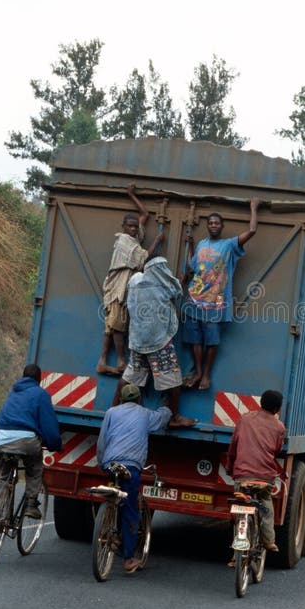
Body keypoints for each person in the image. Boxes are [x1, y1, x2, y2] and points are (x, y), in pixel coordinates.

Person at [181, 198, 259, 390]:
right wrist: (191, 246)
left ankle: (206, 375)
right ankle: (198, 372)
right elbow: (193, 266)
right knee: (194, 338)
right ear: (207, 226)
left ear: (222, 226)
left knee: (212, 339)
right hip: (194, 298)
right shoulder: (201, 244)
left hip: (215, 300)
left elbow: (252, 231)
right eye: (211, 223)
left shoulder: (229, 245)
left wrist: (253, 207)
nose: (213, 225)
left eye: (217, 223)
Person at [96, 383, 171, 573]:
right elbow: (163, 418)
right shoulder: (145, 414)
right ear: (139, 399)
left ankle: (111, 527)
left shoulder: (111, 413)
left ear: (121, 398)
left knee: (116, 495)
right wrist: (167, 405)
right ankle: (129, 558)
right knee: (131, 510)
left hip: (110, 464)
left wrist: (101, 463)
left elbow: (102, 440)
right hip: (130, 467)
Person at [116, 255, 196, 428]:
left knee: (131, 375)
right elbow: (176, 290)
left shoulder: (135, 280)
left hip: (138, 340)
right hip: (158, 341)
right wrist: (183, 278)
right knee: (173, 378)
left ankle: (113, 409)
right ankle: (175, 417)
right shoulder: (162, 285)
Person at [96, 185, 162, 376]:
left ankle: (102, 361)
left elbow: (145, 213)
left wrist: (131, 195)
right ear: (123, 227)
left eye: (135, 226)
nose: (134, 229)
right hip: (118, 289)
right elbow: (141, 260)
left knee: (111, 325)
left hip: (124, 288)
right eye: (130, 226)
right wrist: (157, 241)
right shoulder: (124, 242)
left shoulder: (134, 240)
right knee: (118, 325)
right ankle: (121, 360)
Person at [0, 364, 62, 519]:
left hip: (1, 438)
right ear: (39, 379)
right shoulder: (40, 394)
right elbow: (49, 426)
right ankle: (31, 503)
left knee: (5, 477)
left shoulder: (12, 392)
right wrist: (55, 445)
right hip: (25, 440)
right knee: (35, 466)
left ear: (23, 377)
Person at [225, 389, 286, 554]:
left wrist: (230, 468)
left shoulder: (244, 419)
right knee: (266, 506)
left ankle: (235, 553)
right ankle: (269, 541)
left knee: (239, 508)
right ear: (277, 409)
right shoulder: (279, 427)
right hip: (264, 478)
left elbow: (233, 447)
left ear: (261, 403)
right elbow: (277, 450)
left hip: (242, 477)